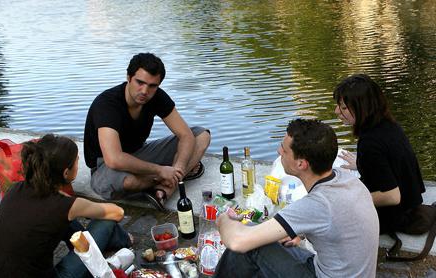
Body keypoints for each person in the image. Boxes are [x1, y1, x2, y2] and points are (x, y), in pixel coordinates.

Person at [214, 119, 379, 278]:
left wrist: (224, 219)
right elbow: (339, 224)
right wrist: (301, 234)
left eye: (284, 150)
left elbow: (237, 241)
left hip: (321, 273)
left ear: (301, 164)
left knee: (249, 247)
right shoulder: (346, 179)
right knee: (261, 237)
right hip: (340, 269)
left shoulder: (317, 204)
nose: (279, 152)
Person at [0, 134, 132, 278]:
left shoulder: (15, 188)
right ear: (66, 172)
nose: (78, 163)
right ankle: (122, 240)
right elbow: (118, 212)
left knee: (68, 220)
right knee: (105, 221)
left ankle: (108, 243)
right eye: (76, 161)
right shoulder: (64, 205)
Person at [84, 53, 210, 210]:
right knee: (129, 181)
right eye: (140, 82)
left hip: (139, 153)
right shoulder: (107, 104)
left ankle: (166, 189)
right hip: (105, 168)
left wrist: (179, 167)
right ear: (129, 77)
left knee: (201, 136)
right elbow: (114, 159)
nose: (145, 91)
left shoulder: (156, 97)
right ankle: (177, 177)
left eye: (152, 86)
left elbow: (185, 135)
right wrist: (160, 170)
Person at [334, 73, 425, 234]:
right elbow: (391, 162)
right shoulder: (387, 125)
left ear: (362, 107)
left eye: (343, 107)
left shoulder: (370, 142)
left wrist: (353, 200)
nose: (337, 111)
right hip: (411, 203)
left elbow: (392, 196)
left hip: (394, 216)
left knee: (333, 211)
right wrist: (361, 164)